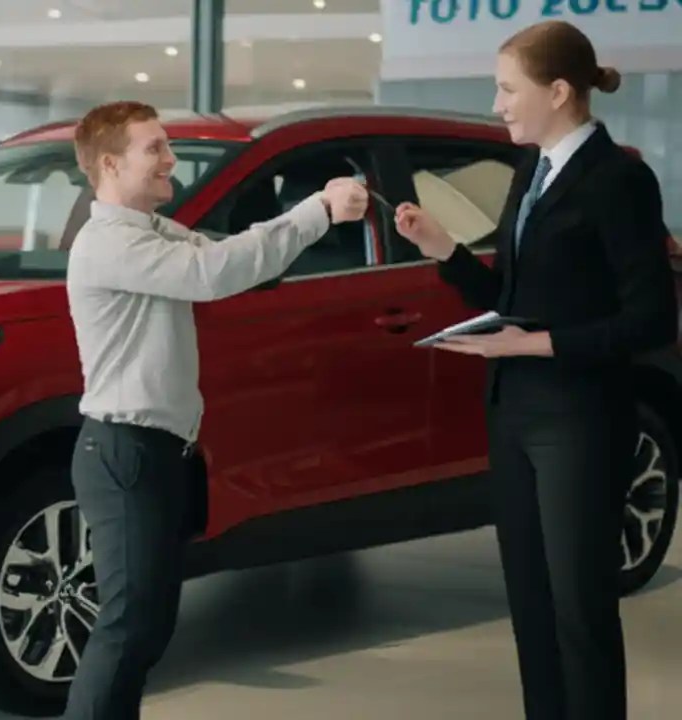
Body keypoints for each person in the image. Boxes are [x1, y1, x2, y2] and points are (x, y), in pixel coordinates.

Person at [393, 20, 677, 720]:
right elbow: (510, 297)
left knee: (580, 610)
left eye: (507, 89)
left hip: (580, 421)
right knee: (531, 607)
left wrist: (534, 346)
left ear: (558, 92)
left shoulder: (619, 180)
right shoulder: (530, 173)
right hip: (515, 414)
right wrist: (444, 250)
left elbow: (650, 322)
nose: (496, 105)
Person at [63, 100, 368, 719]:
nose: (170, 159)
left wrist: (309, 217)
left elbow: (232, 254)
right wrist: (317, 210)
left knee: (145, 628)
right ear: (110, 164)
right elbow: (211, 272)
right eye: (155, 148)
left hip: (153, 452)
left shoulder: (149, 231)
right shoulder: (109, 244)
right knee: (128, 627)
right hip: (125, 453)